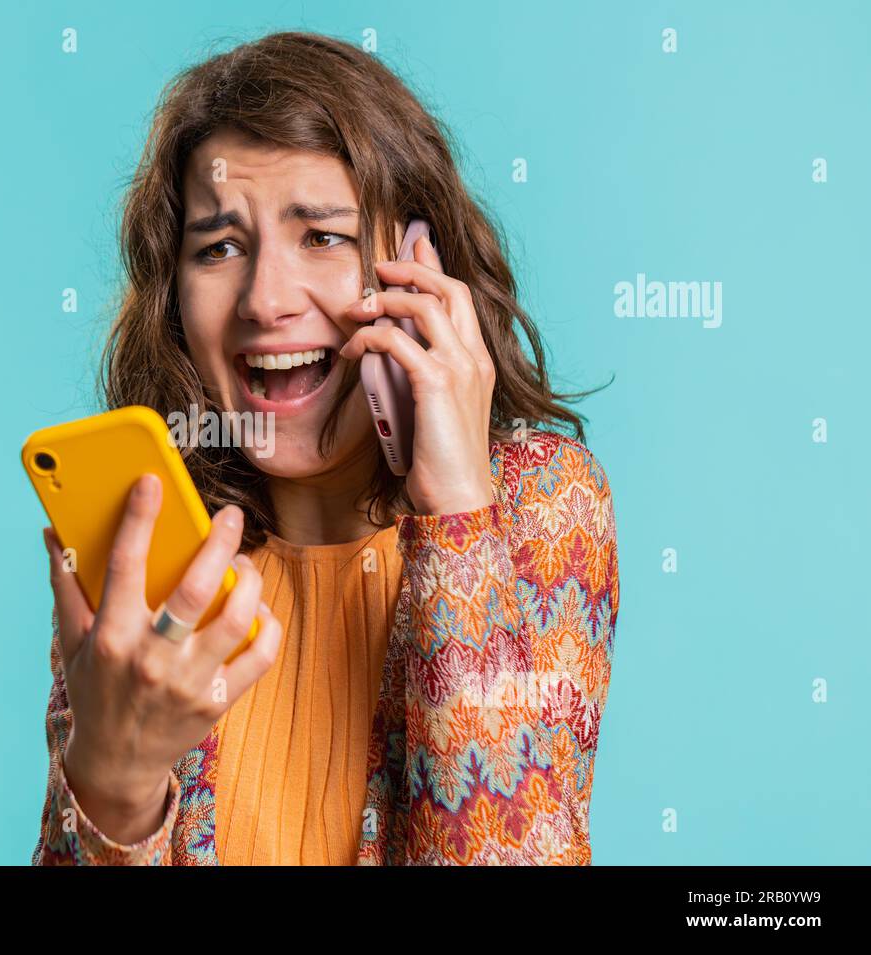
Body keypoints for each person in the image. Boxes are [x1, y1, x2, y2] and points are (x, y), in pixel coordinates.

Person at [32, 31, 620, 865]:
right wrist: (114, 788)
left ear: (417, 272)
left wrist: (456, 508)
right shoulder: (149, 553)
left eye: (323, 237)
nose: (266, 299)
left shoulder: (543, 505)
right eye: (220, 247)